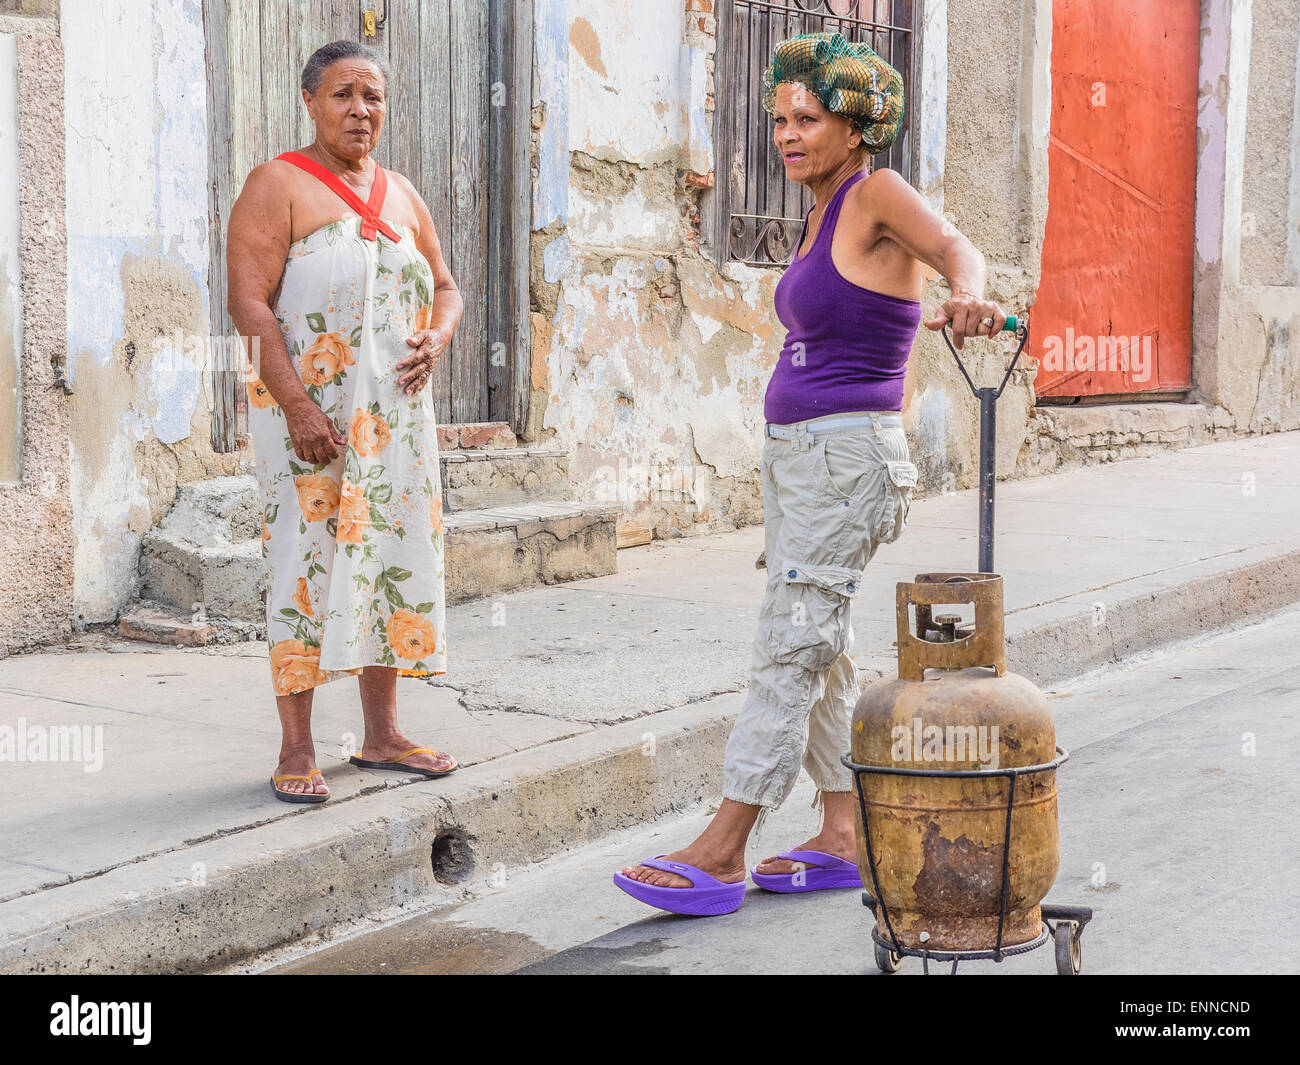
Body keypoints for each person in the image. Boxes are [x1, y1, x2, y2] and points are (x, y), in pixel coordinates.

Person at [614, 31, 1006, 913]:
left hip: (848, 458)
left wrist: (970, 292)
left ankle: (723, 845)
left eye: (810, 117)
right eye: (782, 118)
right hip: (803, 460)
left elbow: (954, 247)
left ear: (857, 125)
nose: (789, 133)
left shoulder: (877, 193)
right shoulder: (821, 207)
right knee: (820, 641)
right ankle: (840, 829)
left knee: (790, 639)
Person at [226, 40, 463, 804]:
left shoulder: (403, 194)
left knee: (390, 553)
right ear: (311, 102)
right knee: (304, 564)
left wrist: (442, 333)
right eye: (343, 95)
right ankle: (296, 745)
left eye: (373, 97)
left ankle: (382, 733)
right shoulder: (278, 184)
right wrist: (295, 403)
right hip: (309, 420)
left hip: (394, 421)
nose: (361, 110)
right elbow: (249, 302)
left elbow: (448, 286)